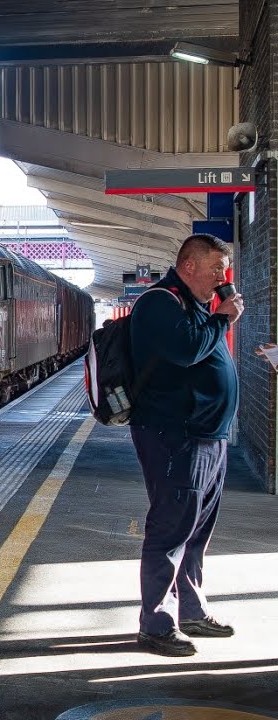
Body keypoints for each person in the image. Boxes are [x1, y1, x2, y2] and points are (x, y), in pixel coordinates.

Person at [127, 233, 243, 657]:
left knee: (196, 532)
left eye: (224, 270)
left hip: (208, 437)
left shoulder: (195, 304)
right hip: (175, 437)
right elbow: (186, 351)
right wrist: (222, 319)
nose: (222, 277)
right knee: (171, 530)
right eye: (216, 268)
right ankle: (155, 624)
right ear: (189, 265)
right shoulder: (160, 302)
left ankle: (191, 610)